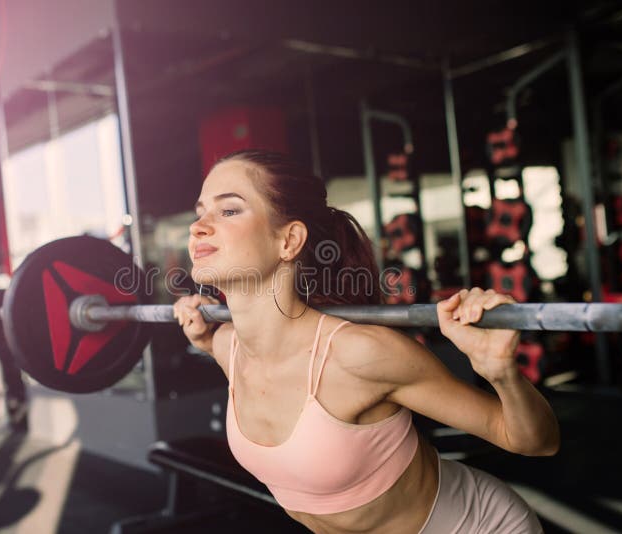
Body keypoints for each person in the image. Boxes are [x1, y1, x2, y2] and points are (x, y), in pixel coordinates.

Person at [173, 150, 557, 533]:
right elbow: (254, 358)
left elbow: (534, 442)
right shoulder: (227, 347)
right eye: (200, 210)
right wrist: (205, 335)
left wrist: (501, 373)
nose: (198, 227)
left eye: (229, 211)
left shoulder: (358, 355)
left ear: (289, 240)